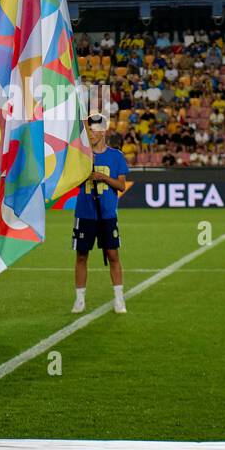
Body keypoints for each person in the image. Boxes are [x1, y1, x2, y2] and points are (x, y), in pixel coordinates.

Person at [72, 112, 130, 315]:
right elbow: (73, 183)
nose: (91, 134)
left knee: (113, 255)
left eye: (94, 130)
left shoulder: (116, 156)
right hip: (85, 213)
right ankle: (79, 299)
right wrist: (84, 174)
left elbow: (121, 185)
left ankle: (119, 298)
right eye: (88, 130)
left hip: (106, 214)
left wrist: (102, 178)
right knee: (81, 256)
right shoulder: (81, 156)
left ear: (103, 131)